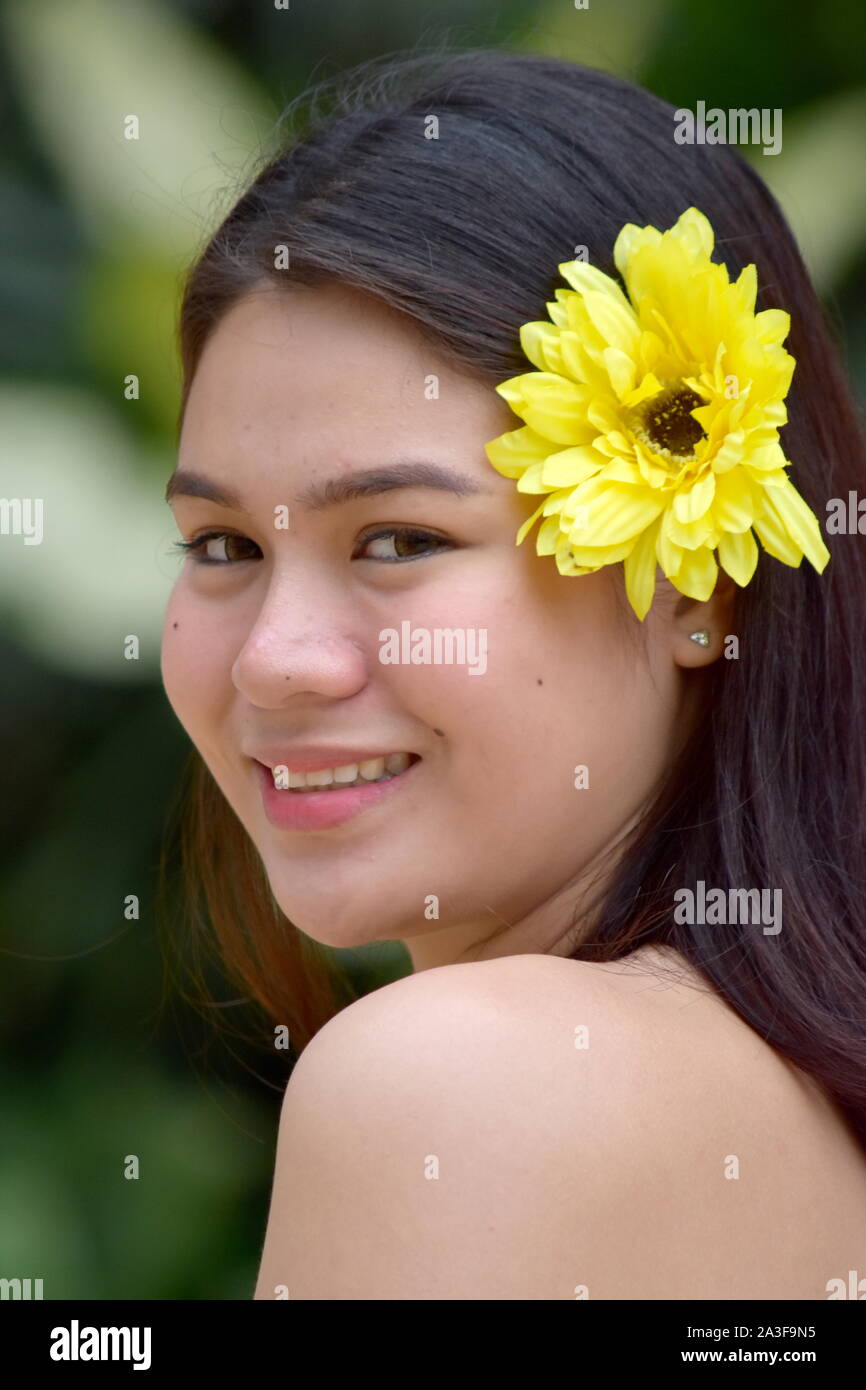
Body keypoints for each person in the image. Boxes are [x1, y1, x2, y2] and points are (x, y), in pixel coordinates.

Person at [160, 48, 866, 1299]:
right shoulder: (803, 1094)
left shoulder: (455, 1085)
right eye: (222, 546)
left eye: (399, 539)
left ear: (696, 582)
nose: (273, 659)